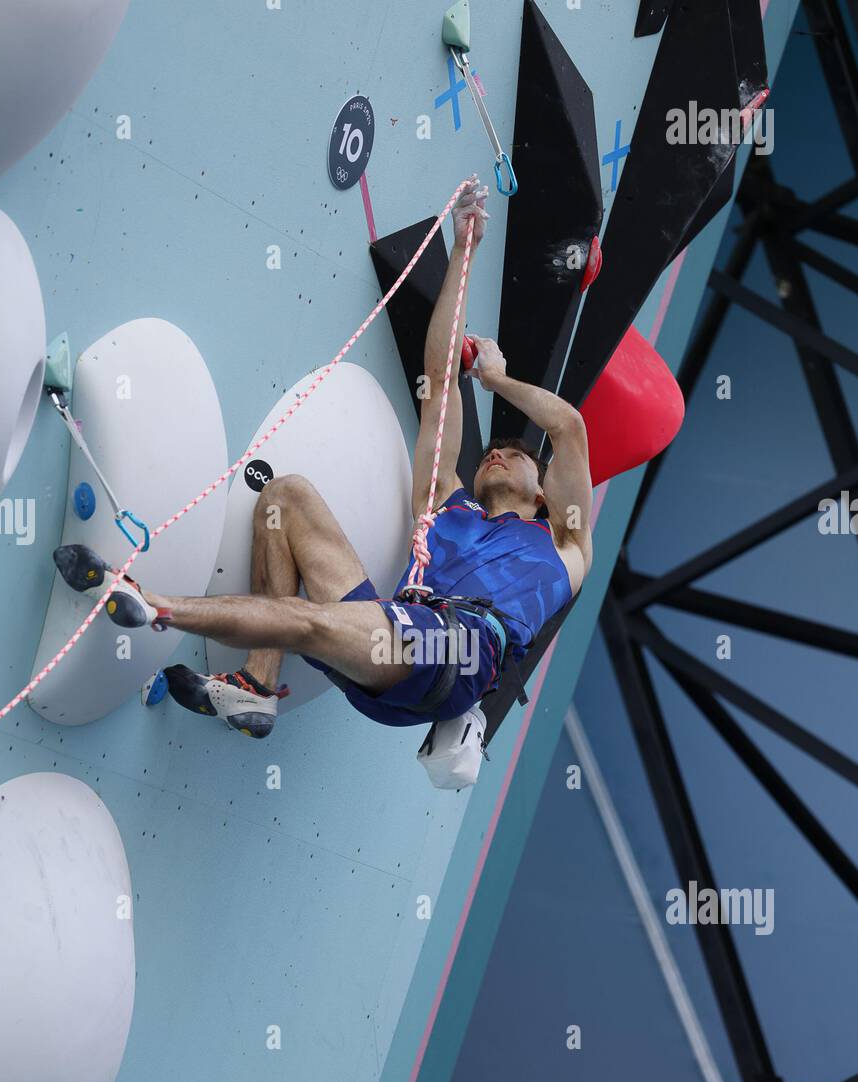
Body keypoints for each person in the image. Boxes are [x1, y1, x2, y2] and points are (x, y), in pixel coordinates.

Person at [53, 177, 594, 739]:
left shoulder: (565, 548)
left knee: (310, 622)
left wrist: (497, 379)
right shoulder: (444, 504)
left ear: (542, 494)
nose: (499, 454)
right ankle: (258, 686)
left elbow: (568, 427)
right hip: (394, 643)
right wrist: (464, 250)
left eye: (515, 454)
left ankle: (149, 602)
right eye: (494, 450)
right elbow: (438, 381)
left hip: (454, 648)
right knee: (285, 499)